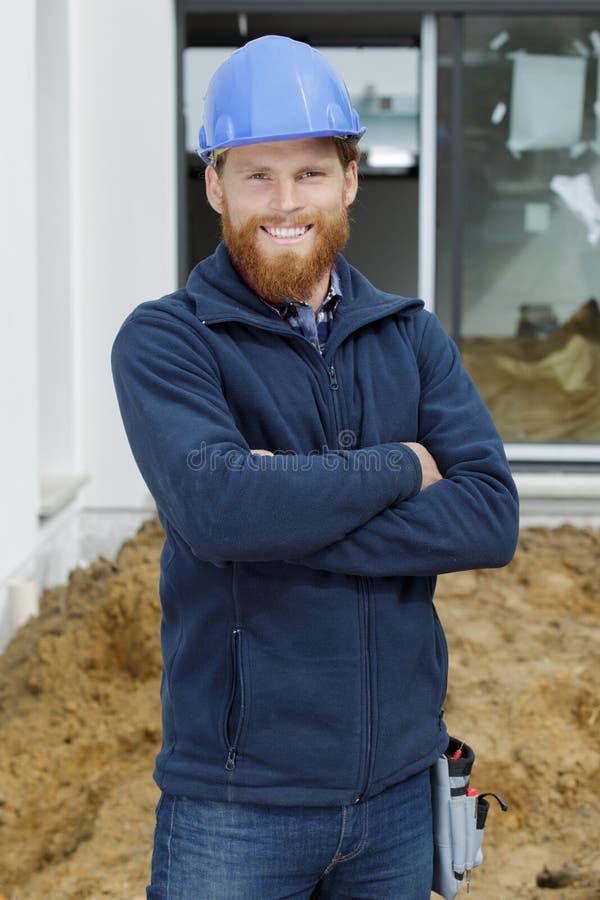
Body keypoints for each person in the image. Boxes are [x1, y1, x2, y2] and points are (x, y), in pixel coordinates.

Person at [111, 35, 519, 900]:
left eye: (310, 173)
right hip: (237, 807)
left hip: (401, 795)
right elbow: (219, 512)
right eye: (257, 174)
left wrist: (277, 509)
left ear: (351, 180)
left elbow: (489, 517)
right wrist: (405, 466)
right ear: (214, 184)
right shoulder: (168, 339)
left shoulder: (410, 334)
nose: (285, 201)